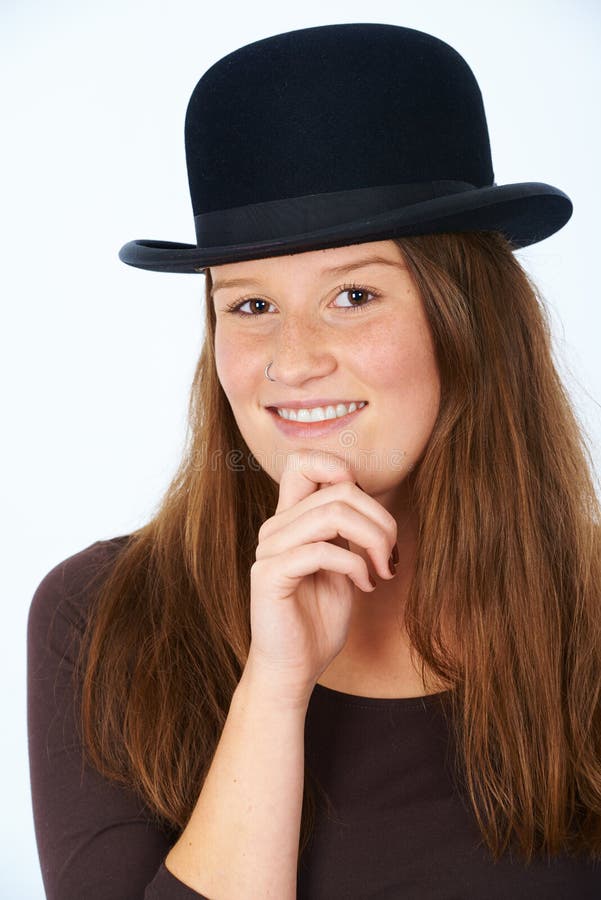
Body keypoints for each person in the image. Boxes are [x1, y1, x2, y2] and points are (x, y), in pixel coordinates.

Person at [26, 22, 601, 900]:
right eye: (250, 303)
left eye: (352, 295)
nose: (289, 362)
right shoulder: (106, 620)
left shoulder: (590, 610)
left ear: (471, 321)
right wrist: (274, 683)